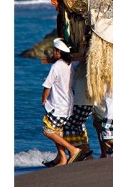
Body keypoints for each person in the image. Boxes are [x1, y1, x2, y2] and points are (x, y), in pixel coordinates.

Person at [41, 38, 83, 166]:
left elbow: (47, 85)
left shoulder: (57, 66)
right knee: (57, 132)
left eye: (54, 50)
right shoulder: (71, 64)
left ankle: (73, 150)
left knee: (47, 131)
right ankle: (63, 158)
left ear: (58, 52)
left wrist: (43, 100)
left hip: (58, 106)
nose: (53, 53)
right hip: (68, 105)